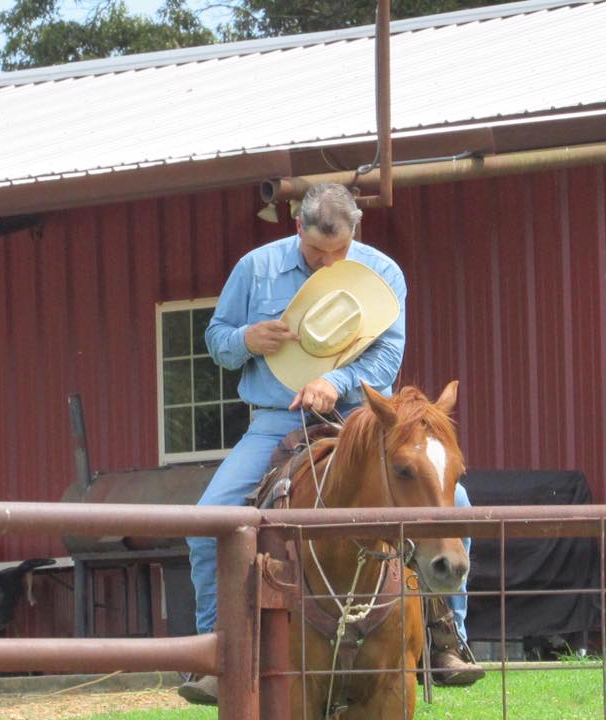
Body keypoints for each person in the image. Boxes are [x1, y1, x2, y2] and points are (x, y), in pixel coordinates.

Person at [179, 183, 482, 704]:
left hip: (361, 418)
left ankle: (446, 637)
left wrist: (335, 382)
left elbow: (387, 358)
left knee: (456, 503)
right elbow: (217, 341)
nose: (327, 263)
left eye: (338, 252)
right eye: (317, 251)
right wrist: (246, 339)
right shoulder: (256, 268)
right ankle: (219, 654)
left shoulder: (383, 274)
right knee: (209, 522)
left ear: (354, 232)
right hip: (275, 419)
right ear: (297, 225)